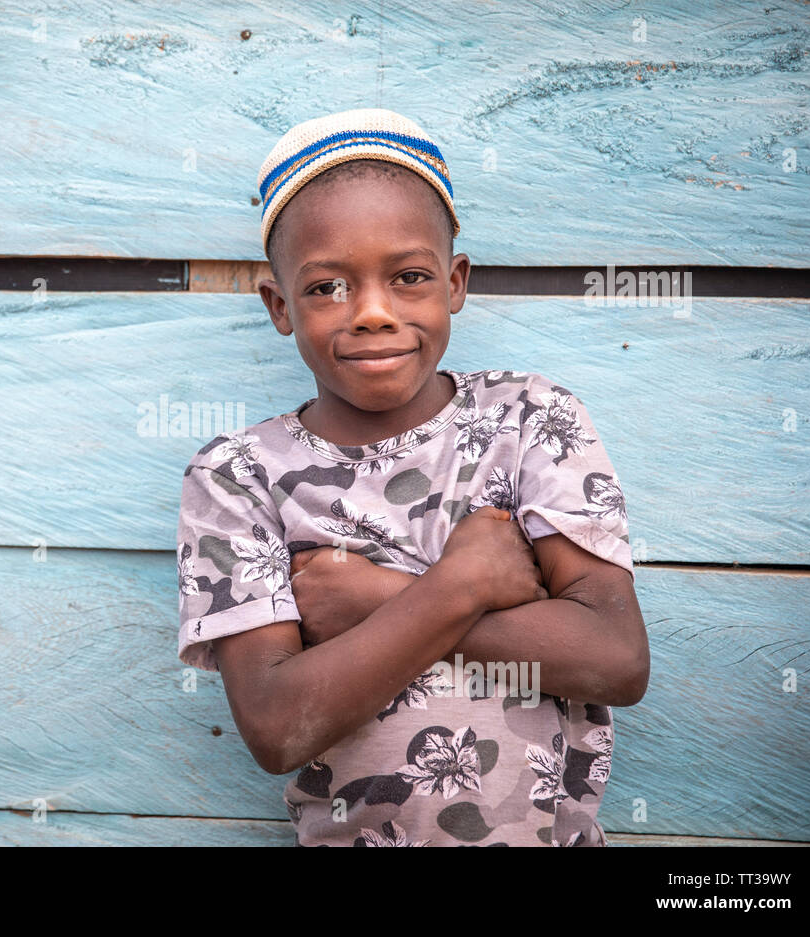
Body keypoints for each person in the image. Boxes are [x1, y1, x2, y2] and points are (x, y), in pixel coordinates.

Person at [175, 107, 649, 846]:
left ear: (454, 282)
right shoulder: (241, 476)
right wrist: (463, 583)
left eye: (409, 277)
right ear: (279, 305)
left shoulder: (529, 421)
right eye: (327, 286)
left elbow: (616, 658)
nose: (371, 313)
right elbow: (275, 725)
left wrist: (381, 600)